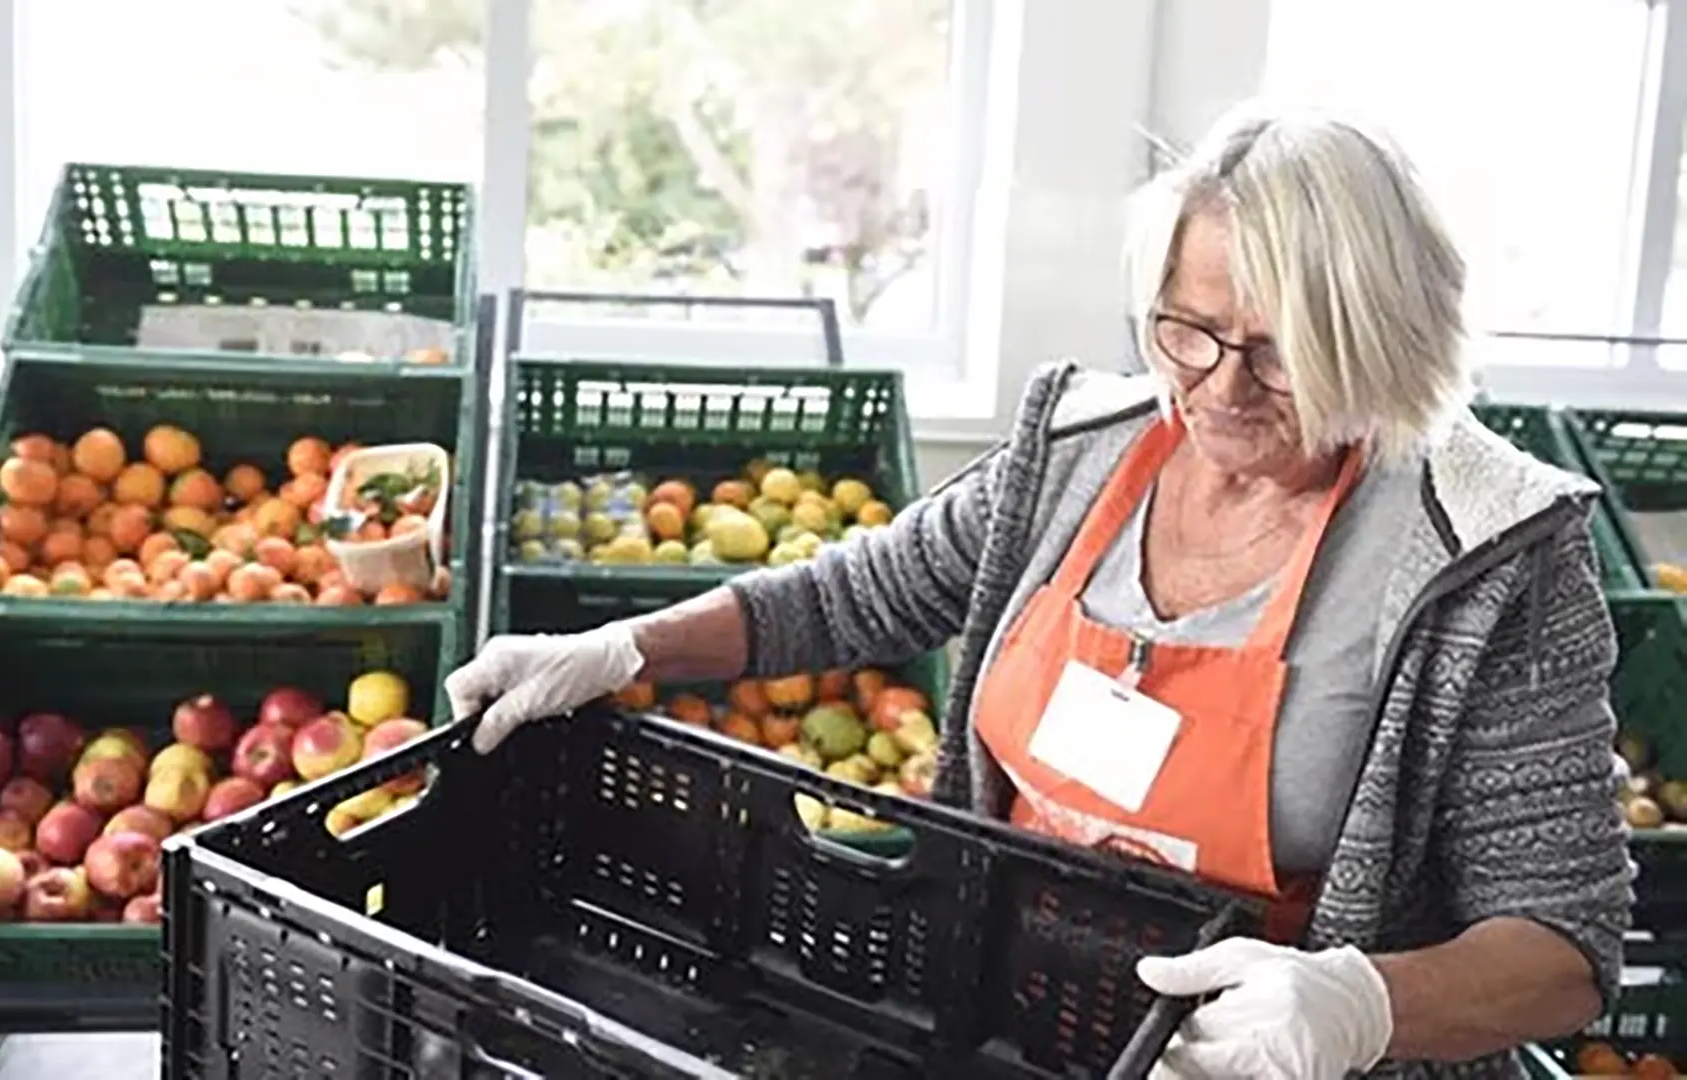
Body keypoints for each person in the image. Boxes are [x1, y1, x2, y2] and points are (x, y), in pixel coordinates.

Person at [446, 101, 1633, 1079]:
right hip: (1004, 1031)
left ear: (1379, 332)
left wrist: (1358, 1006)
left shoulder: (1489, 555)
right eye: (1188, 331)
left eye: (1279, 352)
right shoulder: (1079, 453)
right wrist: (624, 649)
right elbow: (857, 595)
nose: (1220, 390)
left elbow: (1564, 944)